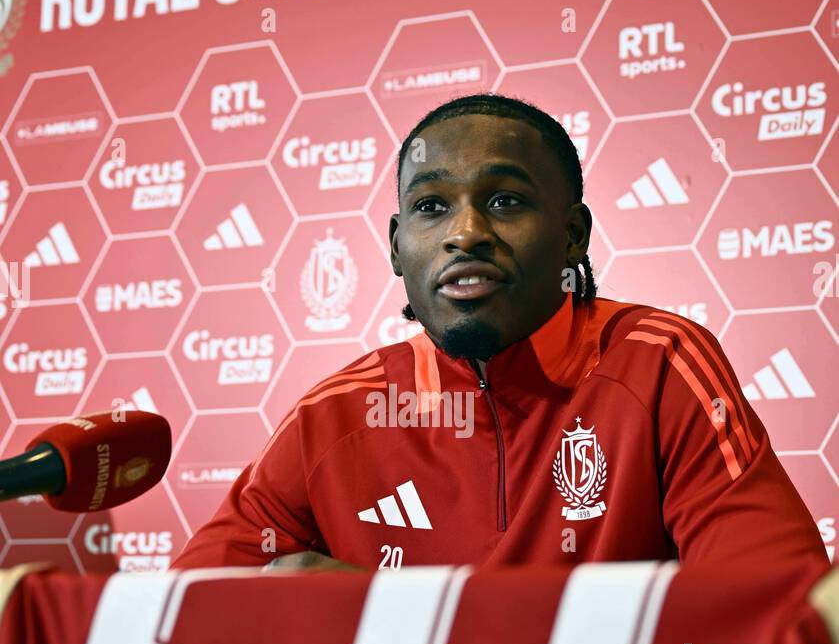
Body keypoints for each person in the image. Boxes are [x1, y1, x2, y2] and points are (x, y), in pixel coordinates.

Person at [171, 93, 827, 579]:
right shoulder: (333, 415)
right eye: (431, 207)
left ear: (572, 234)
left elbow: (773, 602)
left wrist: (393, 620)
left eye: (505, 201)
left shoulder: (659, 364)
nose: (465, 234)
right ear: (397, 248)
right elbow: (186, 613)